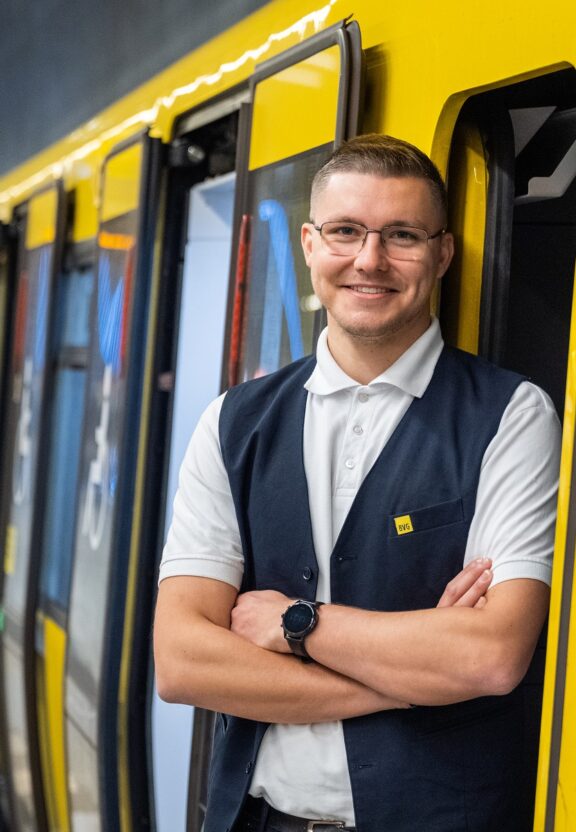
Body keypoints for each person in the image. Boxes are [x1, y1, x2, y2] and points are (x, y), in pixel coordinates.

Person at [154, 134, 561, 832]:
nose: (369, 260)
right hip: (258, 819)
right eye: (346, 231)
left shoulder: (513, 415)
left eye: (401, 235)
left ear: (443, 252)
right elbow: (182, 662)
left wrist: (295, 624)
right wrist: (407, 681)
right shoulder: (234, 422)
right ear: (310, 244)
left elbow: (491, 658)